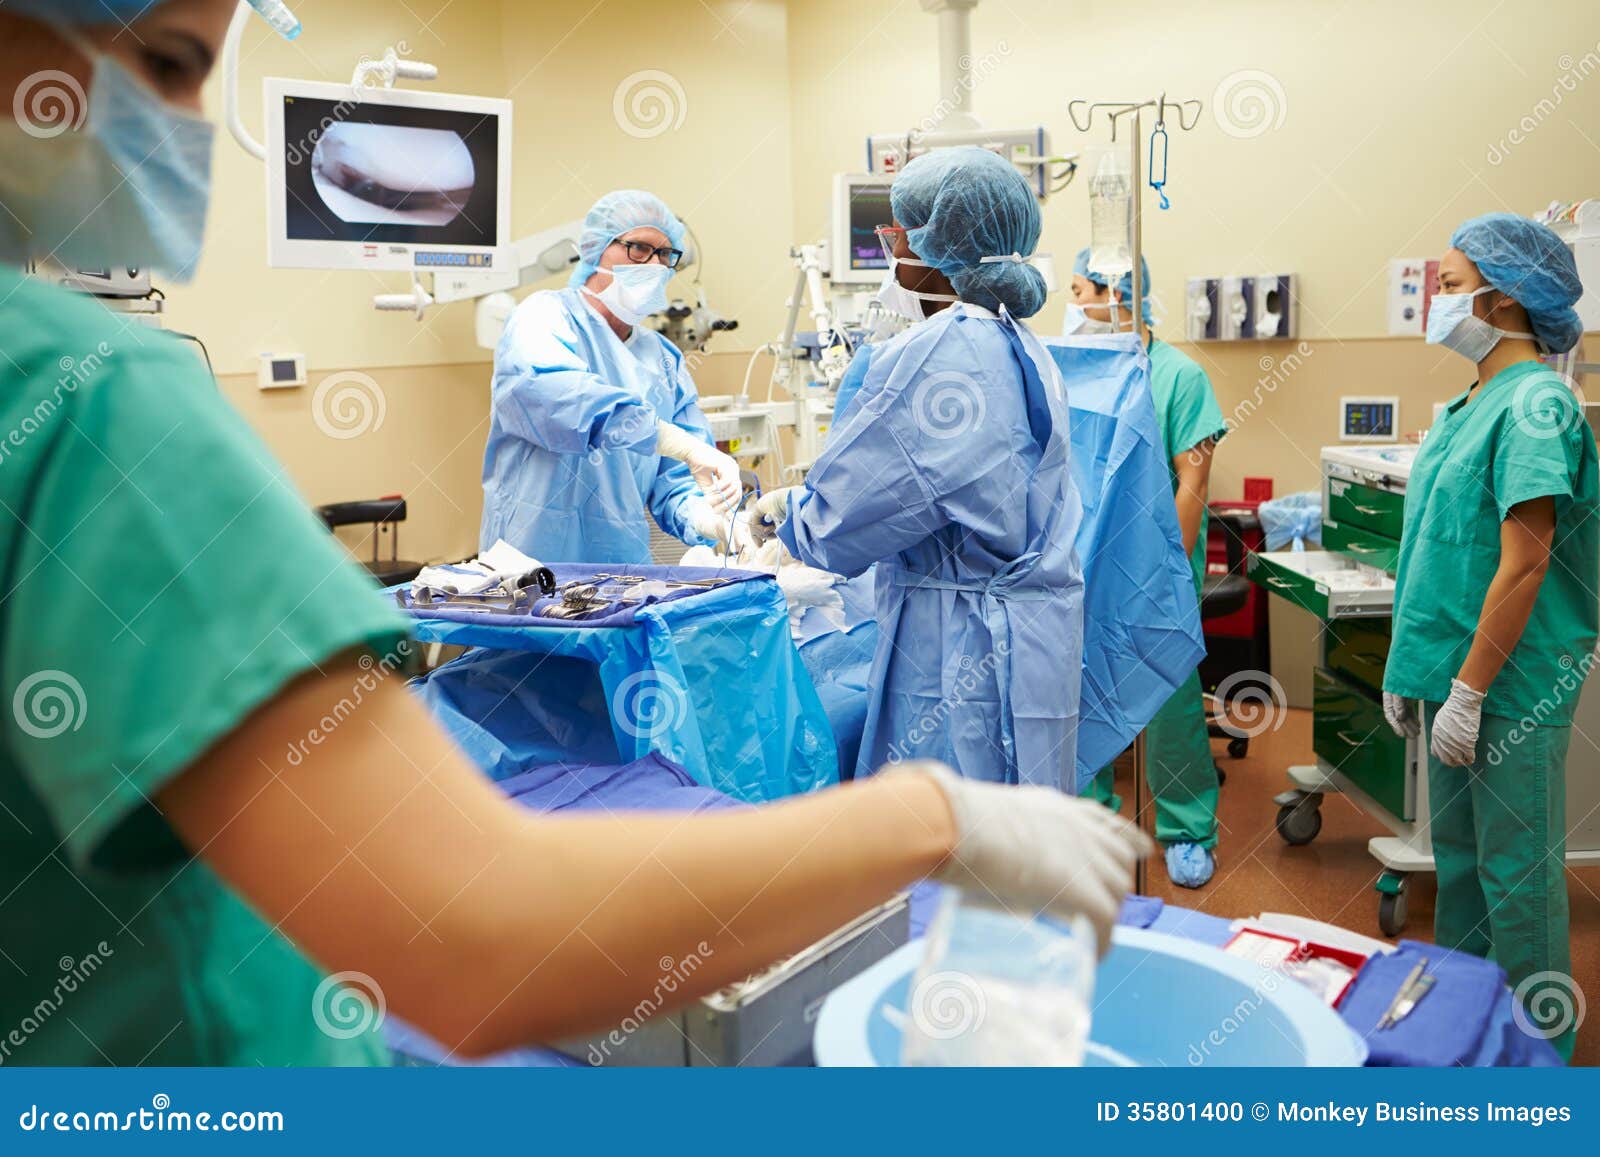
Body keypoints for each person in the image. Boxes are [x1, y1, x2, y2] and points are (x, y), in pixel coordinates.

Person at [0, 0, 1150, 1066]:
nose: (188, 120)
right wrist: (924, 817)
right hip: (533, 572)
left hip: (634, 580)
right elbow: (465, 925)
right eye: (166, 61)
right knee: (513, 738)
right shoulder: (103, 392)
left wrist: (709, 508)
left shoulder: (668, 350)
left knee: (615, 746)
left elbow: (676, 463)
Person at [752, 147, 1084, 791]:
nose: (892, 247)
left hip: (963, 648)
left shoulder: (943, 349)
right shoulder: (1020, 341)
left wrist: (783, 517)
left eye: (897, 233)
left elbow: (845, 522)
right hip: (1035, 637)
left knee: (950, 861)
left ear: (935, 246)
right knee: (1022, 858)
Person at [1383, 213, 1595, 1061]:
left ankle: (1545, 1071)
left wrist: (1469, 689)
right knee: (1465, 869)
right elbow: (1440, 548)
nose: (1435, 295)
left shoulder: (1538, 401)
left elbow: (1525, 563)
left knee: (1519, 881)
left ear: (1500, 299)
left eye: (1449, 279)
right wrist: (1418, 668)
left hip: (1510, 682)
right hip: (1452, 671)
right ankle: (1465, 1041)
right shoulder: (1469, 401)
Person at [1065, 251, 1227, 888]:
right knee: (1084, 697)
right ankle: (1092, 826)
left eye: (1080, 291)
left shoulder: (1179, 376)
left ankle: (1187, 828)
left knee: (1169, 705)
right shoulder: (1080, 372)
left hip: (1154, 569)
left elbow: (1194, 478)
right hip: (1084, 564)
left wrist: (1163, 570)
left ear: (1114, 293)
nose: (1072, 305)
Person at [479, 189, 743, 563]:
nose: (653, 265)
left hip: (621, 571)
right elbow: (559, 398)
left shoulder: (664, 358)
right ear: (595, 250)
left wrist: (707, 518)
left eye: (665, 254)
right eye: (638, 248)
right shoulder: (542, 317)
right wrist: (674, 440)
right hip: (529, 569)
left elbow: (677, 480)